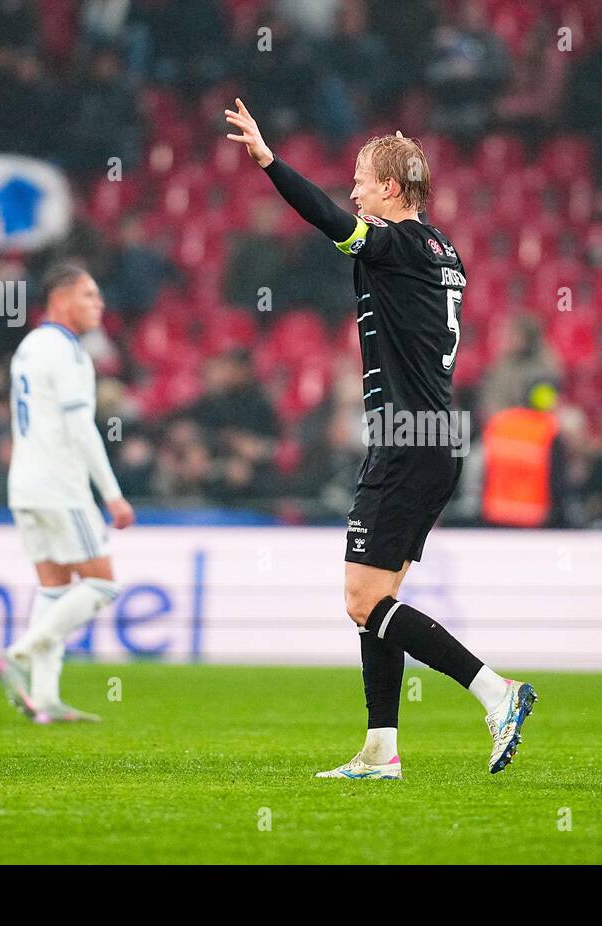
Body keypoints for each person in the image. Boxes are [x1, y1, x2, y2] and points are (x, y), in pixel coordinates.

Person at [225, 97, 536, 780]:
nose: (354, 188)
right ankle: (380, 748)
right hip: (428, 435)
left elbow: (329, 220)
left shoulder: (394, 242)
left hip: (407, 439)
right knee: (377, 605)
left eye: (363, 178)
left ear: (392, 189)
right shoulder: (441, 249)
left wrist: (270, 162)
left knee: (362, 600)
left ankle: (497, 691)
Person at [0, 265, 135, 724]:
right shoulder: (68, 352)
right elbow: (79, 427)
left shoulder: (29, 346)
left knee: (54, 587)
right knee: (103, 583)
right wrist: (112, 494)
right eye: (89, 295)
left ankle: (45, 698)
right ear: (61, 299)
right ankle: (18, 654)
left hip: (25, 484)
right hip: (61, 485)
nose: (99, 304)